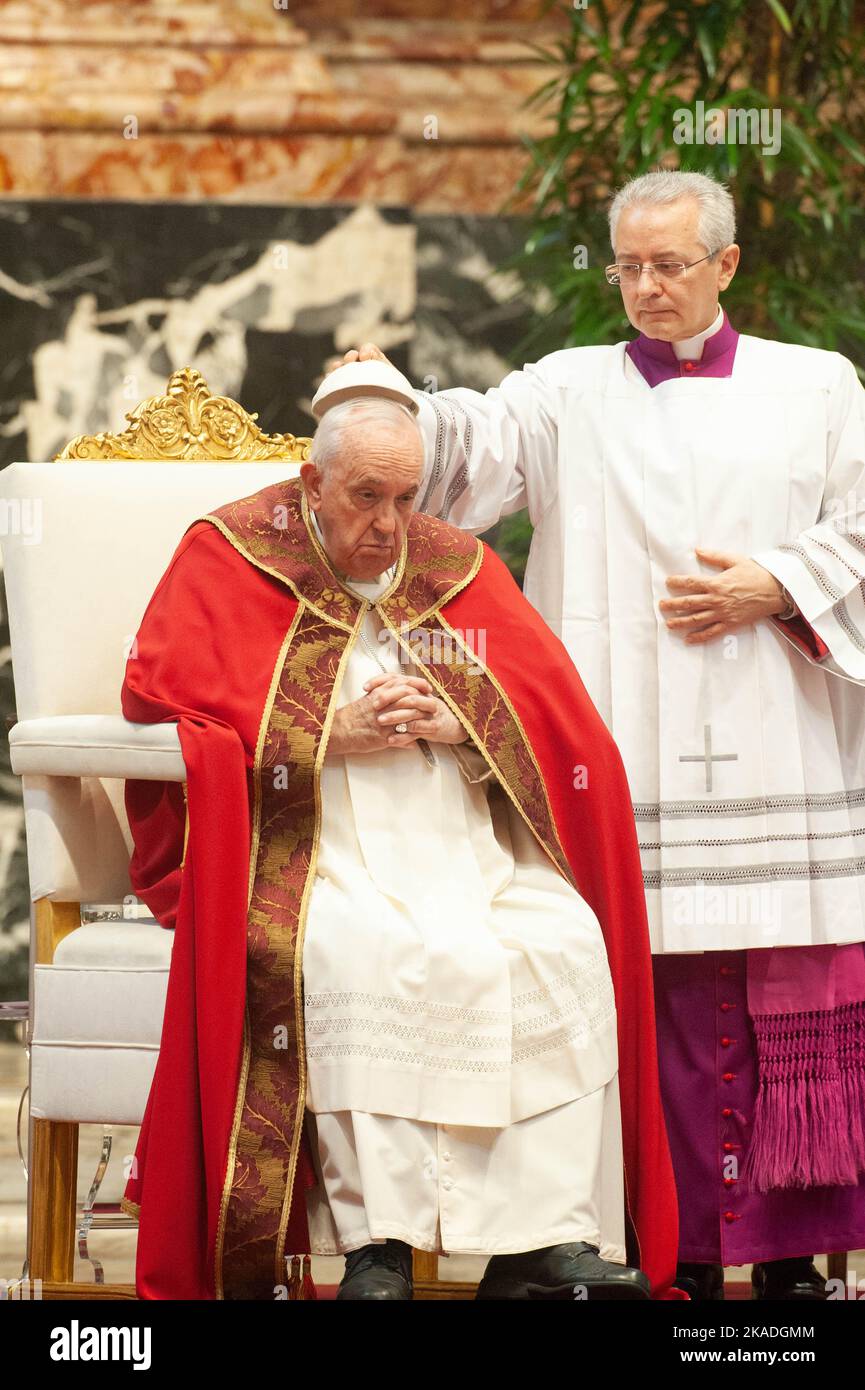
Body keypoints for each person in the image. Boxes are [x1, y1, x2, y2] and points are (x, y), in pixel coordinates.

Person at [339, 168, 865, 1301]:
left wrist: (777, 581)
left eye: (669, 265)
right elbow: (464, 448)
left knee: (785, 983)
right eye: (625, 265)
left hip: (775, 733)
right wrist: (387, 403)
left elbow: (862, 522)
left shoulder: (817, 385)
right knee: (643, 987)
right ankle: (671, 1243)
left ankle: (787, 1264)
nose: (643, 286)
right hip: (618, 742)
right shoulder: (568, 390)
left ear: (726, 266)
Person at [118, 391, 680, 1300]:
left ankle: (536, 1246)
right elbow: (160, 704)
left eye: (406, 498)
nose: (388, 526)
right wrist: (323, 733)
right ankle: (376, 1248)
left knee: (560, 943)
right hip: (310, 844)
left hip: (462, 840)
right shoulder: (229, 555)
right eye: (365, 498)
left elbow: (547, 715)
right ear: (313, 481)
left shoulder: (450, 565)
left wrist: (459, 721)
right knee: (355, 953)